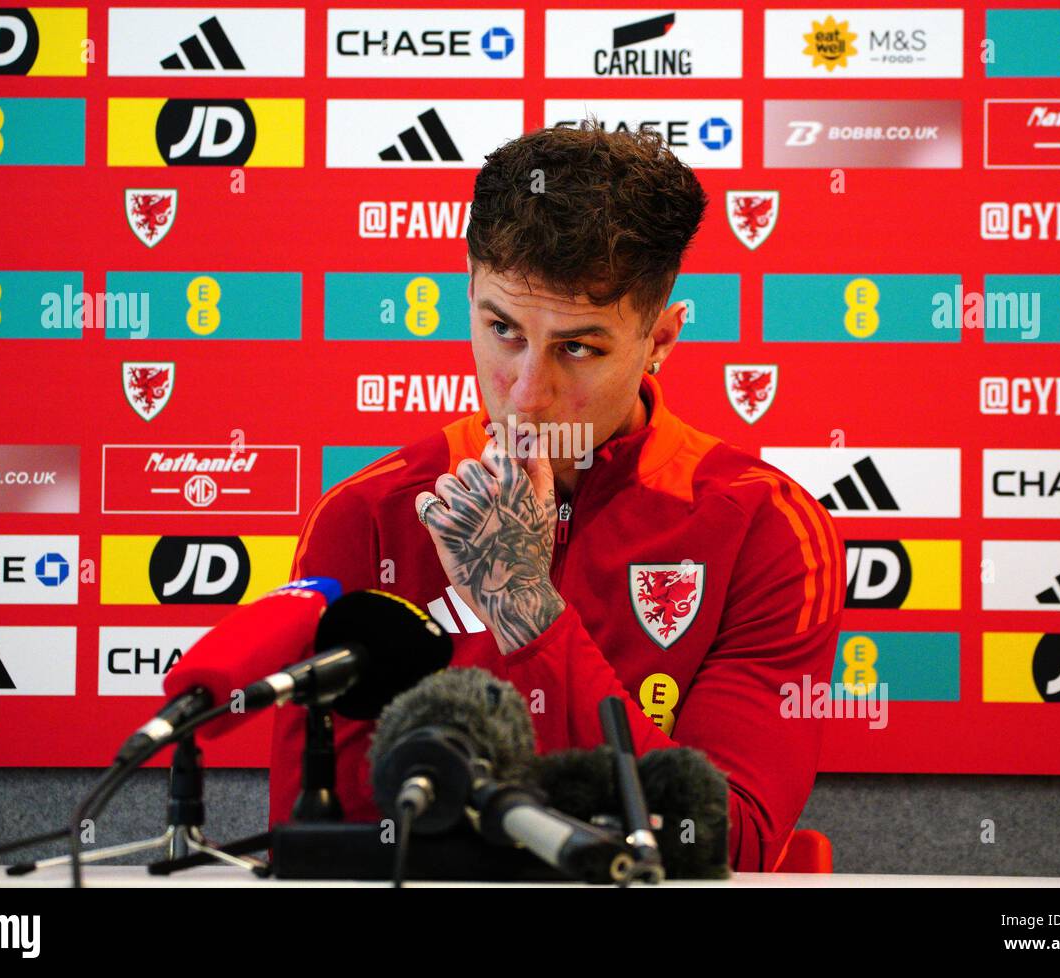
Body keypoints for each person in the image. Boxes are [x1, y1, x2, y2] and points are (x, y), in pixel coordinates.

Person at [276, 120, 844, 871]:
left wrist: (526, 609)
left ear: (662, 339)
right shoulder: (368, 517)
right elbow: (324, 845)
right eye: (503, 329)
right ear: (470, 297)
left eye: (578, 346)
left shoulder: (767, 527)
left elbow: (721, 839)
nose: (527, 395)